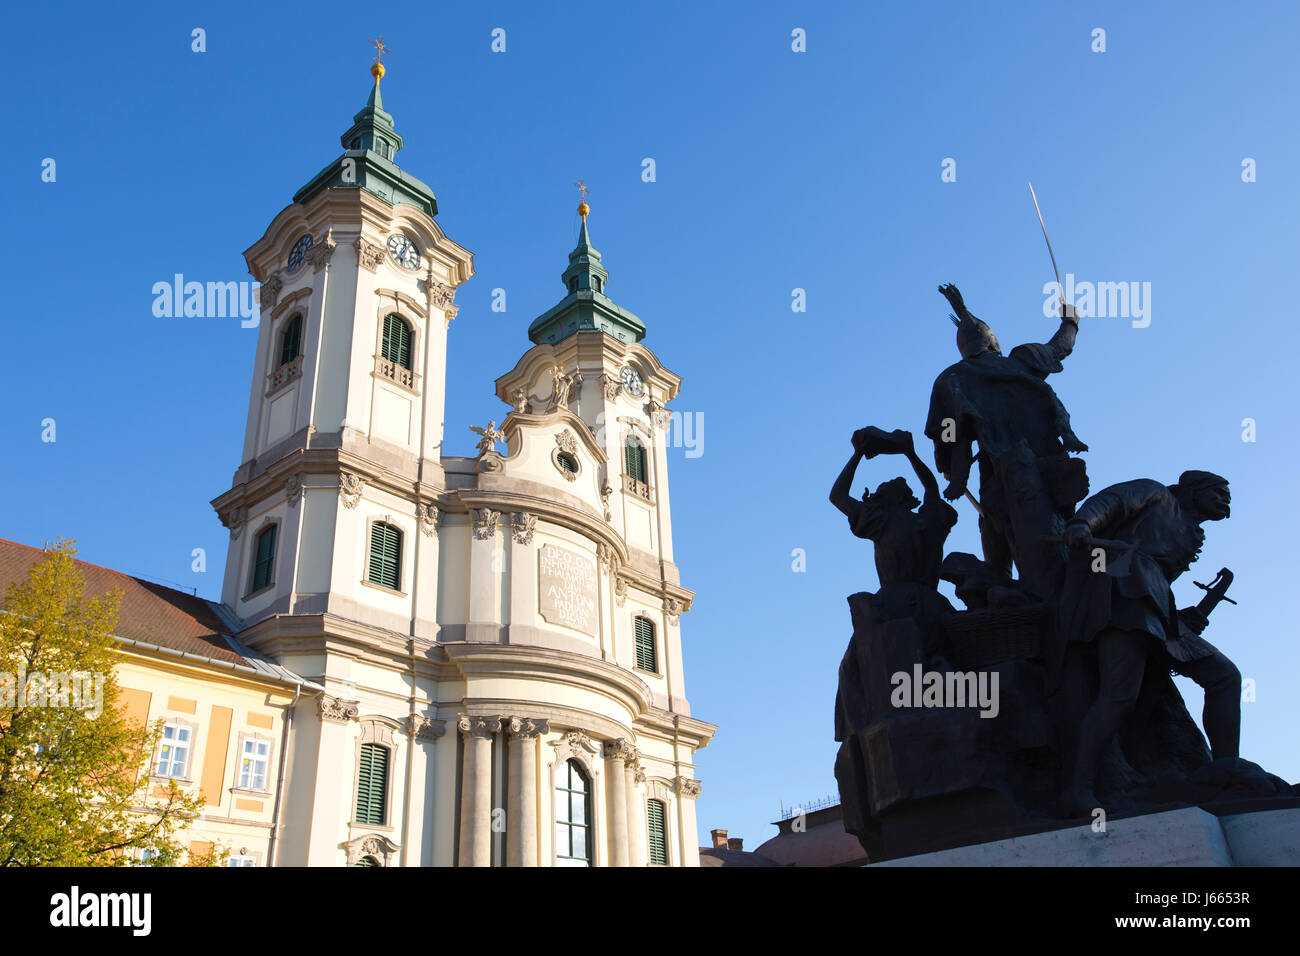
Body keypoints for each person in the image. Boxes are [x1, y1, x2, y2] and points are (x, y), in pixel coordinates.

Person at [1055, 470, 1240, 813]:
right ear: (1194, 489)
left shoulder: (1189, 528)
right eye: (1219, 493)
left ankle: (1226, 770)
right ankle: (1078, 788)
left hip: (1158, 603)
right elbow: (1111, 502)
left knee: (1225, 676)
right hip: (1122, 587)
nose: (1225, 503)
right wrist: (1082, 524)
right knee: (1119, 695)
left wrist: (1181, 617)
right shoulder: (1155, 493)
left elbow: (1159, 585)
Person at [924, 284, 1089, 600]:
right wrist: (1071, 321)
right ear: (993, 342)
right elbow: (1060, 347)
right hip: (1051, 472)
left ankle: (1006, 601)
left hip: (1001, 477)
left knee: (997, 538)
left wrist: (950, 468)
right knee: (1065, 537)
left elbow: (947, 431)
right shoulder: (1020, 363)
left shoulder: (951, 379)